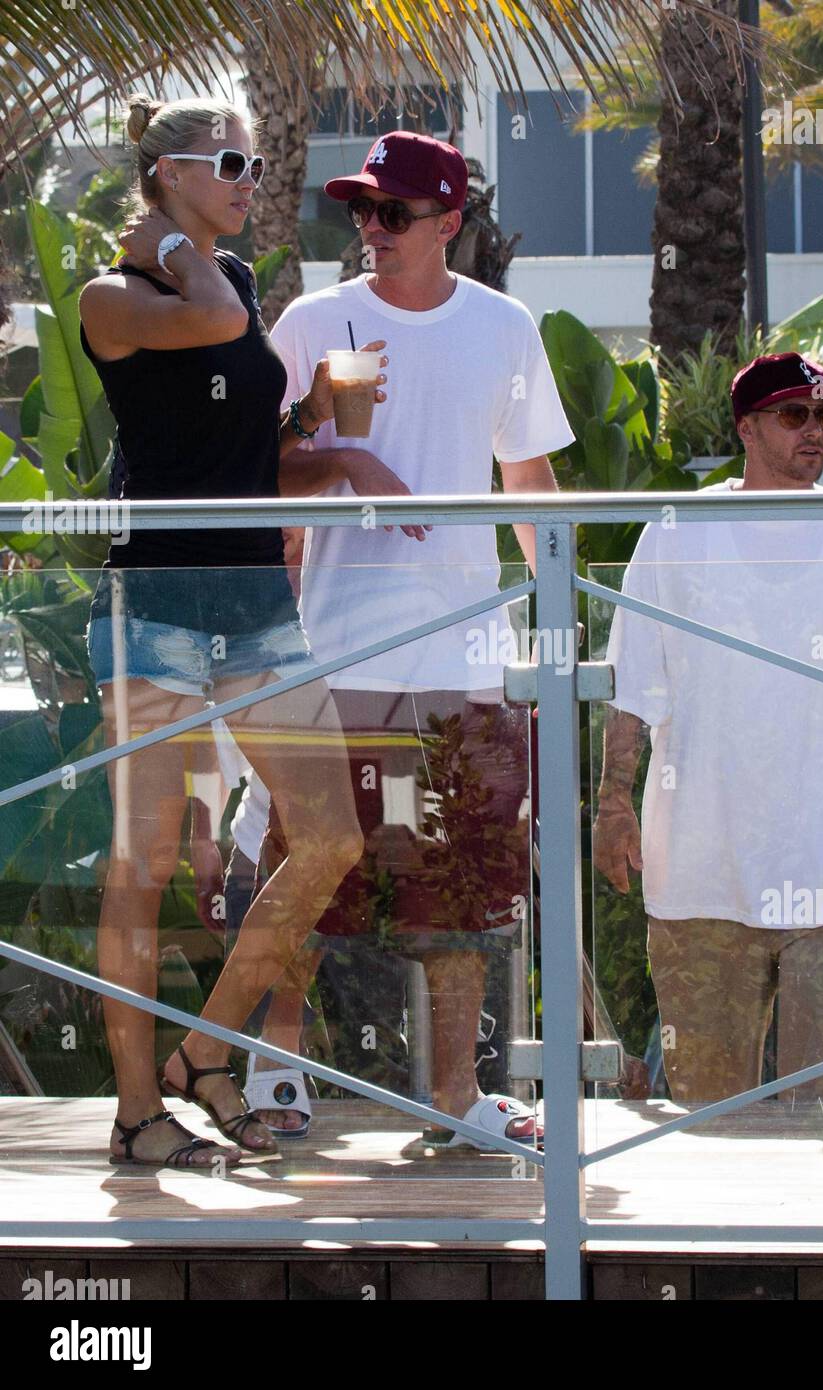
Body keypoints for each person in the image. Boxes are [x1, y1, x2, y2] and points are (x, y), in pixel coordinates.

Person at [247, 130, 575, 1147]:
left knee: (459, 881)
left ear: (448, 225)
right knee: (306, 862)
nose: (370, 230)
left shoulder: (504, 326)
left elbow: (530, 483)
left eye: (392, 213)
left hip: (465, 660)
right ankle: (274, 1076)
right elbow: (251, 470)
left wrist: (562, 627)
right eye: (360, 211)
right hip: (333, 648)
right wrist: (330, 447)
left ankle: (453, 1102)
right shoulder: (312, 320)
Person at [78, 94, 389, 1167]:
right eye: (227, 163)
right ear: (164, 172)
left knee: (333, 836)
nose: (250, 181)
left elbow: (245, 455)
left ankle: (201, 1053)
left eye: (255, 164)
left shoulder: (241, 283)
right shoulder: (110, 295)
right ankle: (136, 1115)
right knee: (145, 859)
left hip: (255, 599)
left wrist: (330, 442)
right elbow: (206, 323)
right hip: (155, 605)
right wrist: (167, 242)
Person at [593, 352, 823, 1105]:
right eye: (793, 415)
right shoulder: (676, 532)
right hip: (699, 873)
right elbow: (632, 687)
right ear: (746, 427)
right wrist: (611, 804)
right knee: (706, 1115)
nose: (814, 432)